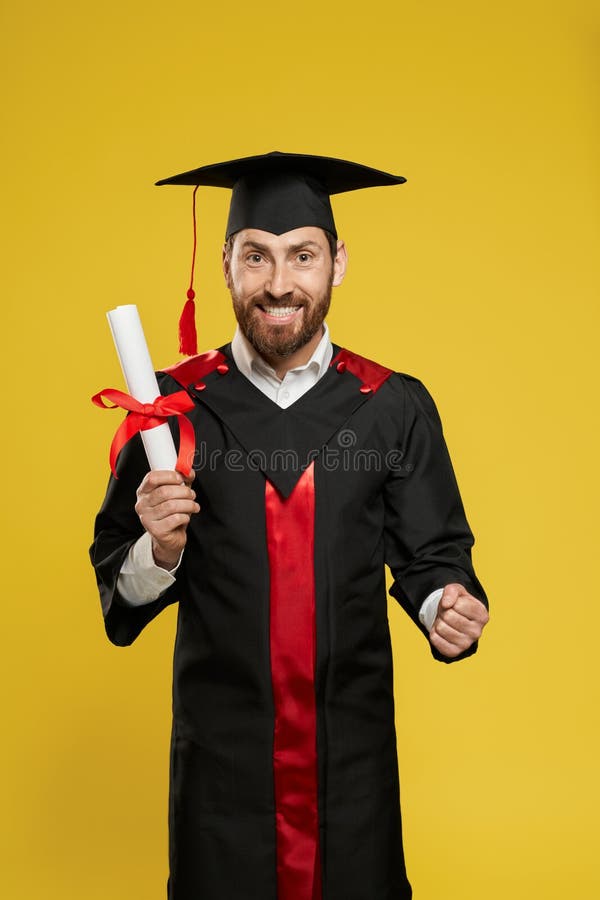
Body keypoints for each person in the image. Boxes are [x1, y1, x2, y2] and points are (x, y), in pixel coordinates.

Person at [90, 151, 489, 900]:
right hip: (223, 772)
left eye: (302, 256)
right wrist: (159, 548)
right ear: (227, 265)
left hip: (352, 767)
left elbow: (431, 554)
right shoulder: (171, 409)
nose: (279, 283)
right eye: (256, 257)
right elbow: (118, 588)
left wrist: (447, 606)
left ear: (336, 262)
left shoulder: (392, 406)